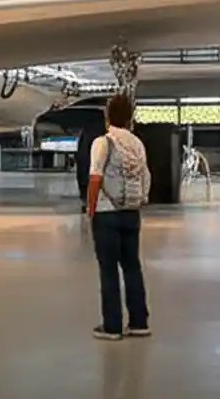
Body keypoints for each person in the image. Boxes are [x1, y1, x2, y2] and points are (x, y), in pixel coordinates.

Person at [87, 94, 152, 341]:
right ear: (130, 117)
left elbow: (95, 177)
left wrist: (90, 208)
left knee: (109, 270)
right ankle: (139, 321)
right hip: (131, 213)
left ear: (107, 115)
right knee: (132, 267)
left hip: (107, 213)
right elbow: (145, 176)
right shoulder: (137, 143)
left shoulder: (103, 142)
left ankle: (112, 326)